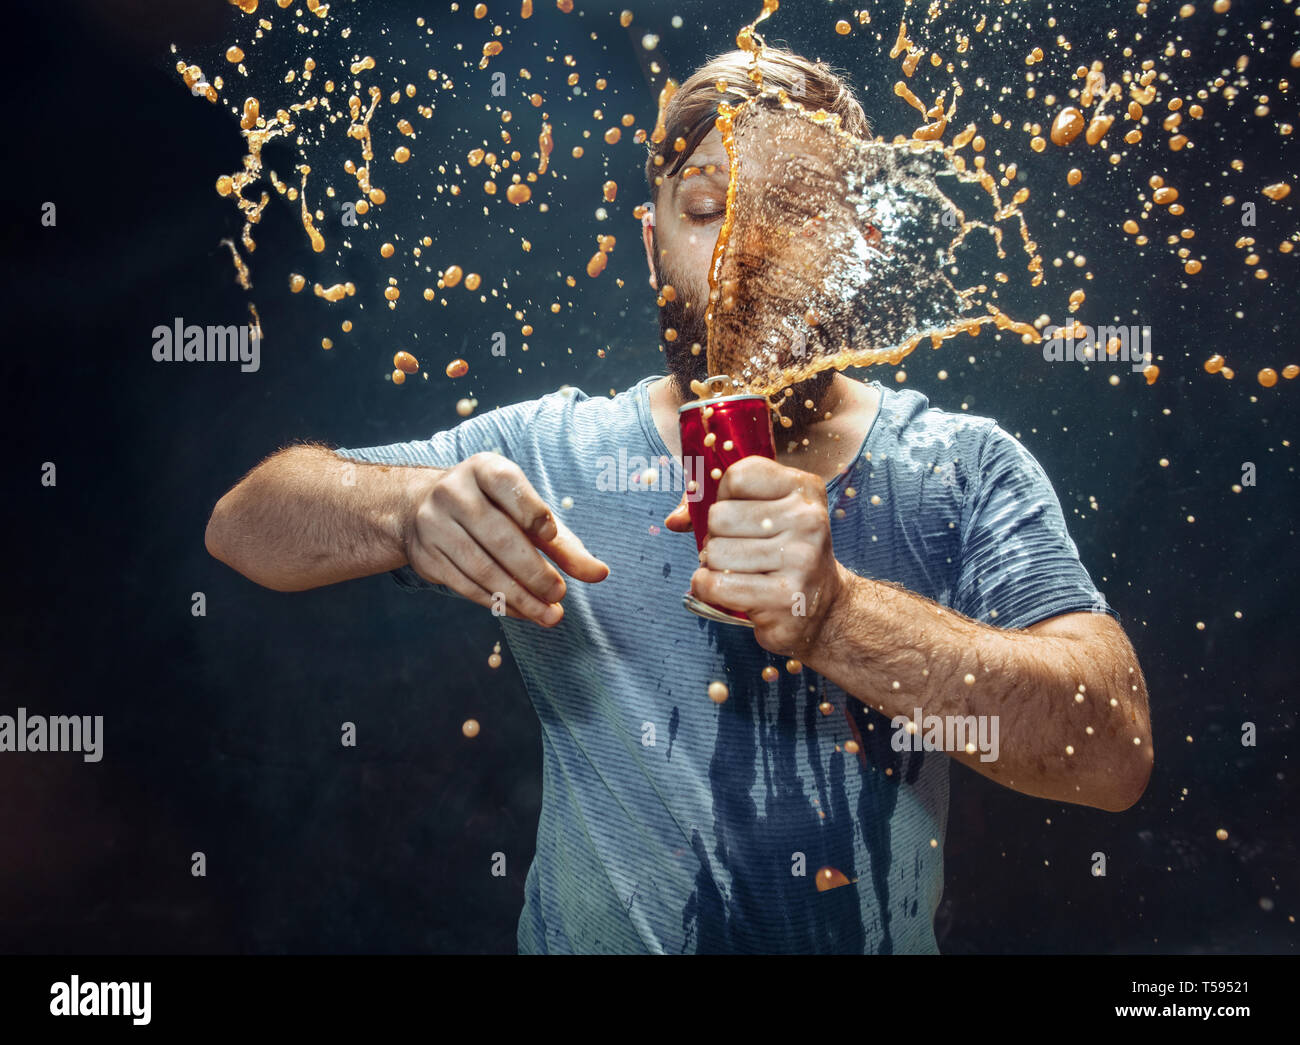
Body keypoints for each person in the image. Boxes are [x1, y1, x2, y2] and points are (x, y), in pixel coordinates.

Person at [205, 47, 1153, 954]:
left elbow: (1113, 752)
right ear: (653, 241)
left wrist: (837, 617)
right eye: (706, 210)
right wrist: (404, 509)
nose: (745, 254)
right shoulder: (550, 452)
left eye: (797, 211)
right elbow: (246, 524)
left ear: (862, 243)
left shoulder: (960, 466)